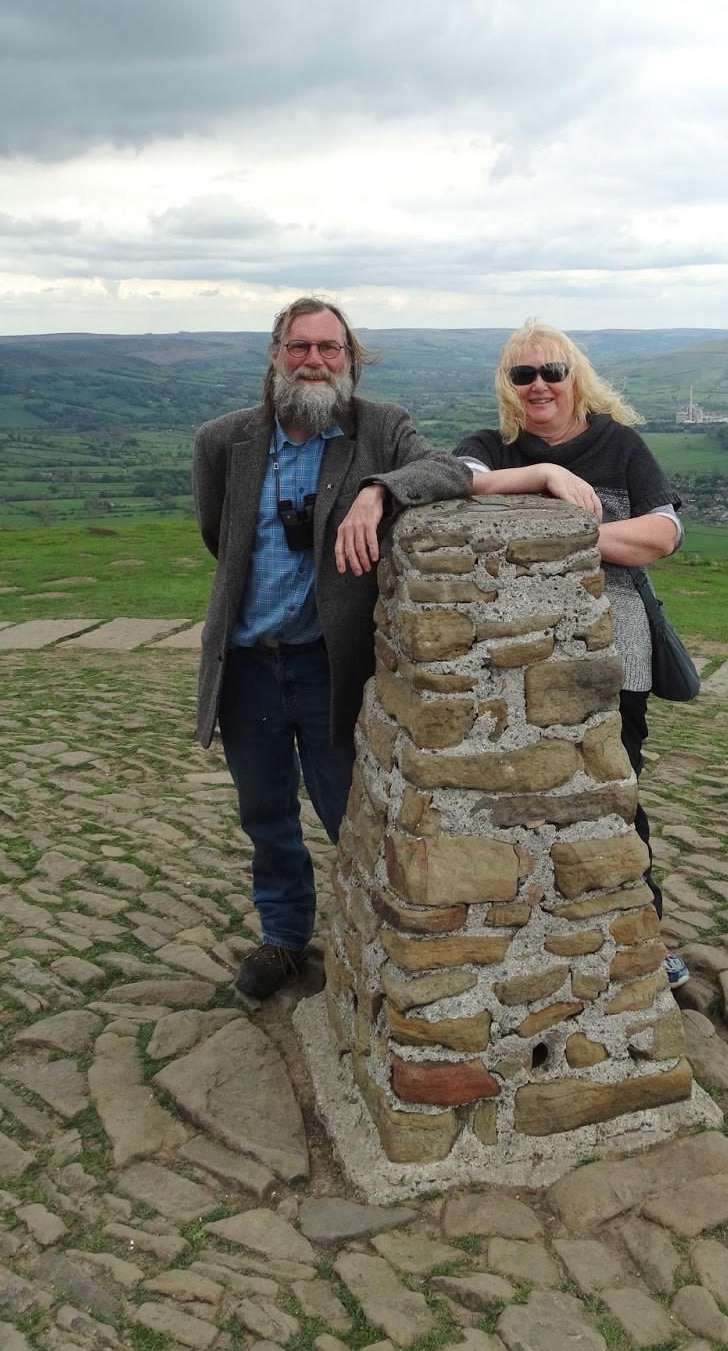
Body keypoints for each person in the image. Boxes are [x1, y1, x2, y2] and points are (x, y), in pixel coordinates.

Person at [193, 297, 471, 999]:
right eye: (299, 347)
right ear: (275, 355)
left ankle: (369, 935)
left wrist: (379, 491)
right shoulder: (223, 442)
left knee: (347, 808)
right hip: (249, 664)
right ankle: (284, 939)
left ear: (350, 359)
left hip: (327, 665)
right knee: (264, 813)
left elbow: (448, 472)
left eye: (329, 349)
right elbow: (218, 542)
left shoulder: (379, 427)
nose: (314, 361)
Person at [455, 320, 690, 989]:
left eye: (551, 372)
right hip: (513, 664)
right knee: (518, 797)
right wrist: (543, 473)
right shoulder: (493, 448)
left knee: (615, 795)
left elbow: (662, 534)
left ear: (573, 377)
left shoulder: (620, 446)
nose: (539, 386)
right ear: (508, 384)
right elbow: (454, 482)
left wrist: (567, 528)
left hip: (617, 655)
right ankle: (541, 924)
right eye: (522, 375)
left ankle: (642, 930)